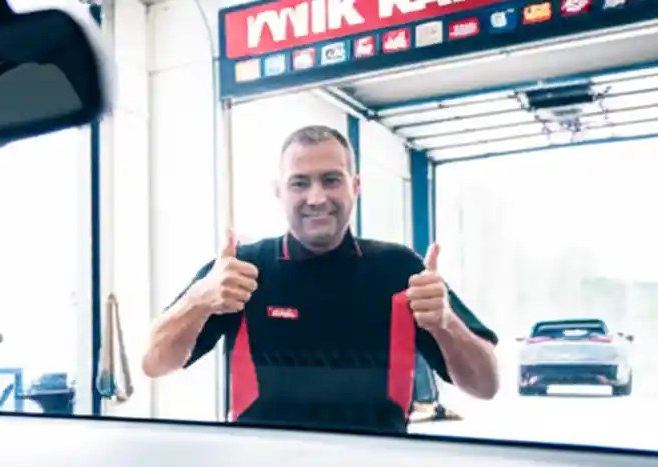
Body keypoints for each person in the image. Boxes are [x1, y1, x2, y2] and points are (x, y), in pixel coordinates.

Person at [141, 125, 499, 435]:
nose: (316, 198)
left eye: (331, 179)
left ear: (354, 186)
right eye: (300, 183)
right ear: (279, 192)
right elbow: (153, 362)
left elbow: (486, 385)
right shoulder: (239, 270)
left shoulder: (400, 270)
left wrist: (446, 323)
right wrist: (198, 301)